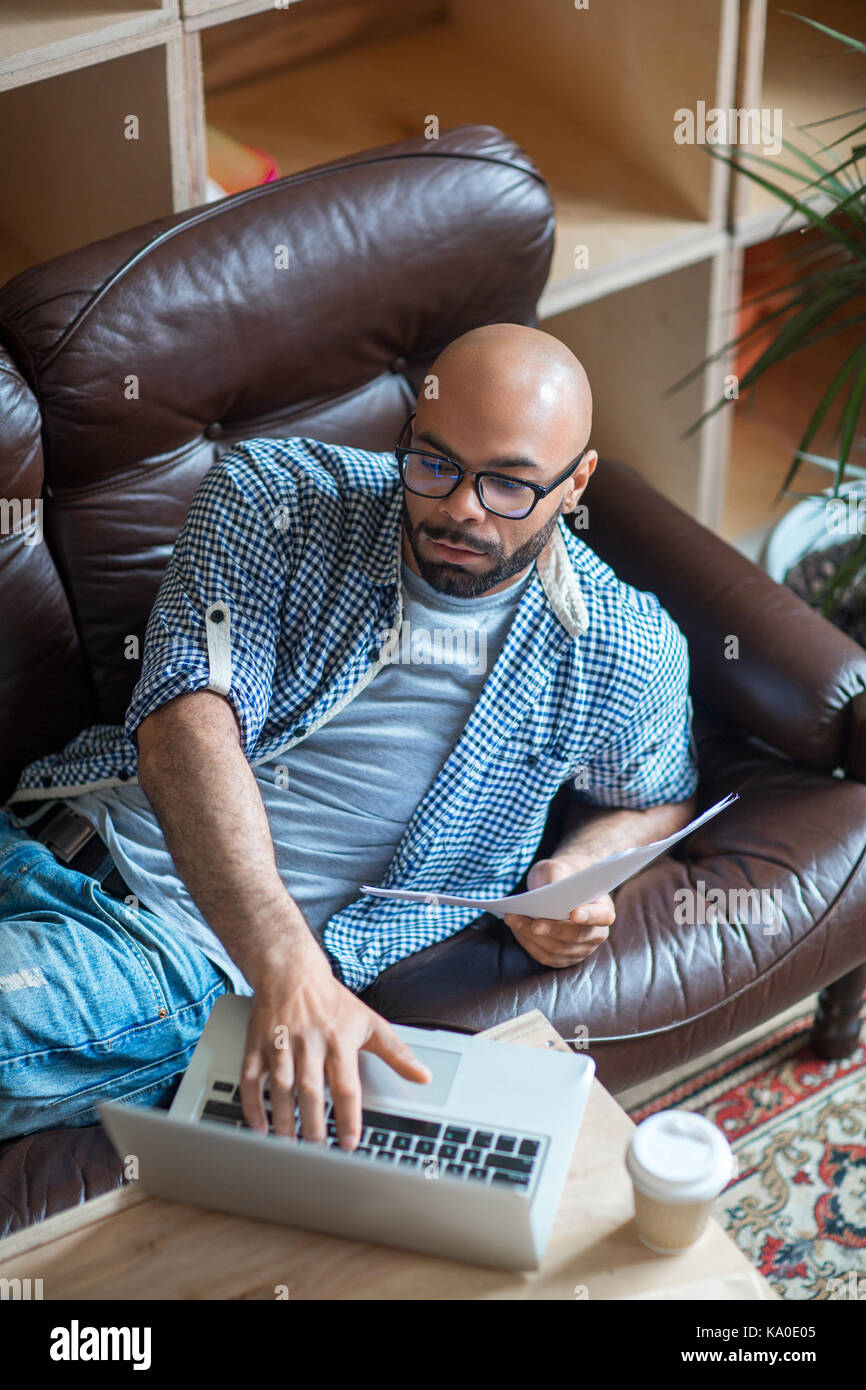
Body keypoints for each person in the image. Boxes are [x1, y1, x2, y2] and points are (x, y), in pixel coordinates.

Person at [0, 323, 698, 1149]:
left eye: (509, 485)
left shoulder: (620, 647)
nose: (459, 509)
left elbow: (661, 795)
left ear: (575, 482)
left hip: (167, 954)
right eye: (433, 463)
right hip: (43, 827)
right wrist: (288, 963)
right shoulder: (273, 497)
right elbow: (187, 723)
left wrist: (576, 872)